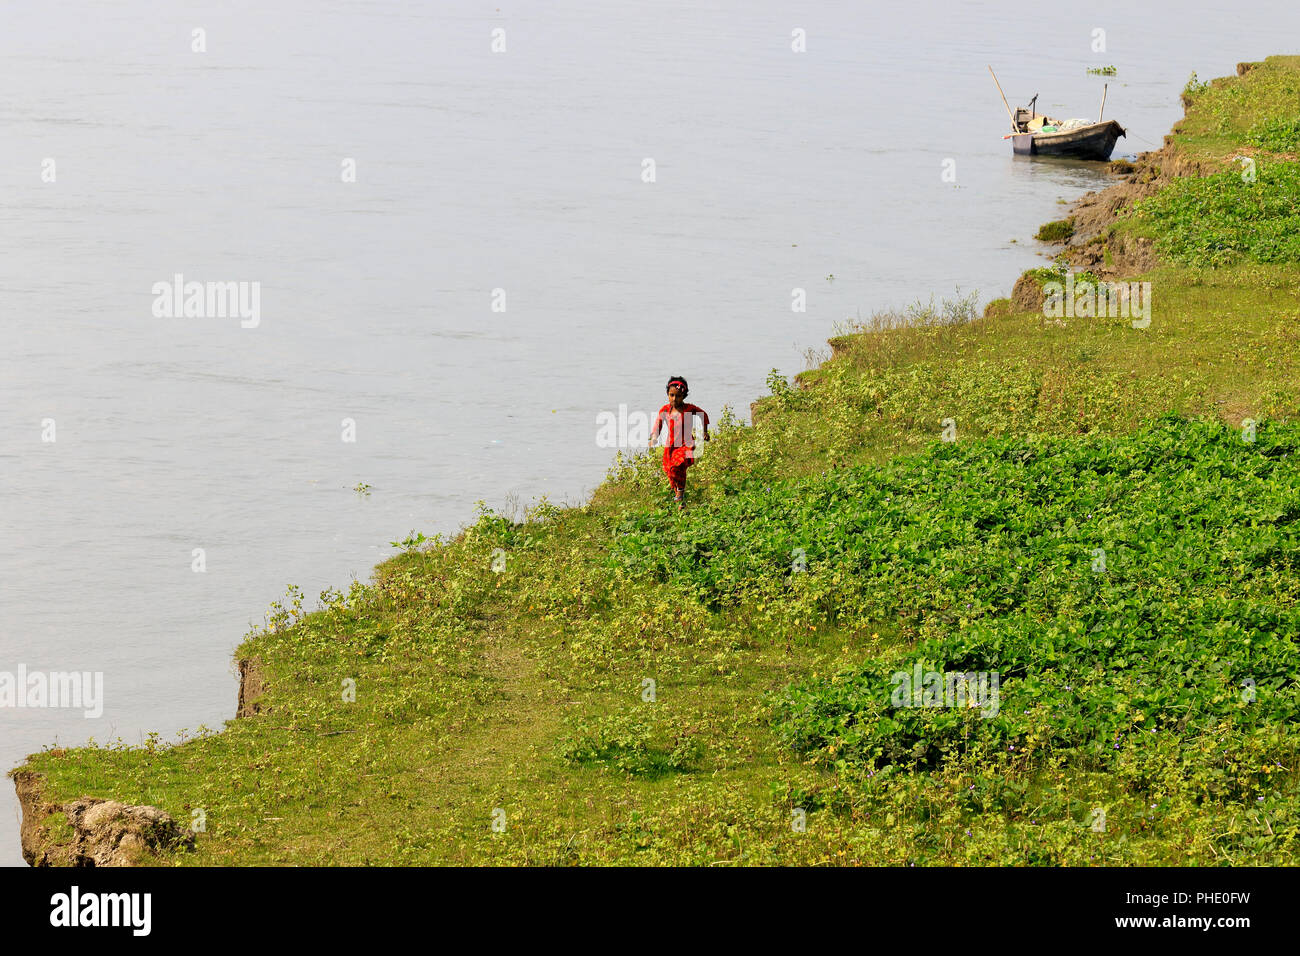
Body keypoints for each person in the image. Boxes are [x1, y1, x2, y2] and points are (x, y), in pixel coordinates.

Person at [650, 376, 710, 510]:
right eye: (671, 395)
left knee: (677, 467)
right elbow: (658, 425)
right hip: (671, 446)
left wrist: (704, 432)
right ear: (667, 394)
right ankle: (678, 493)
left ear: (684, 396)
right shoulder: (665, 410)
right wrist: (654, 437)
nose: (674, 399)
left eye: (678, 396)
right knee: (670, 470)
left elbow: (703, 415)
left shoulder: (689, 409)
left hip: (686, 444)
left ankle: (680, 495)